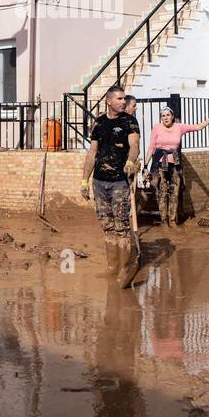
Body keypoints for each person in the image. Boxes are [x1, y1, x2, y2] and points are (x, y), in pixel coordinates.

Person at [80, 85, 140, 286]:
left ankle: (124, 269)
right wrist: (84, 180)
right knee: (107, 225)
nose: (124, 102)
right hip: (99, 181)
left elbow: (134, 145)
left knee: (122, 226)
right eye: (120, 99)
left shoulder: (129, 121)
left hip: (119, 182)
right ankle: (112, 267)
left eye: (124, 99)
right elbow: (92, 152)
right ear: (109, 101)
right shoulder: (99, 122)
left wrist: (131, 160)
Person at [146, 106, 209, 226]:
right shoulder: (157, 128)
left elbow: (198, 127)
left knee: (175, 191)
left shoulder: (179, 127)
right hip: (159, 163)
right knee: (162, 192)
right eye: (163, 116)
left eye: (168, 115)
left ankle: (173, 220)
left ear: (172, 116)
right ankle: (164, 220)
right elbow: (151, 148)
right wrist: (145, 165)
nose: (165, 118)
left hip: (175, 163)